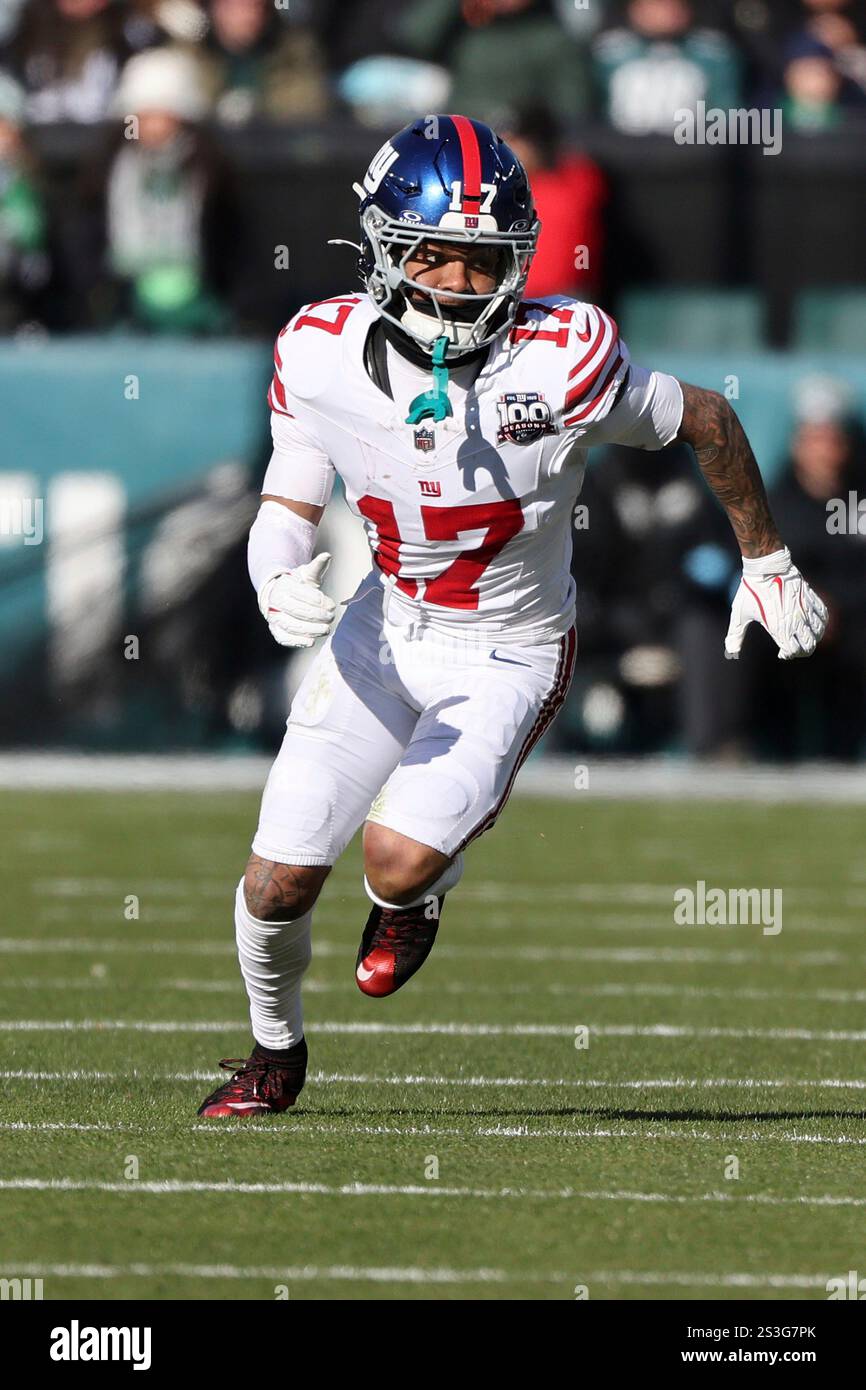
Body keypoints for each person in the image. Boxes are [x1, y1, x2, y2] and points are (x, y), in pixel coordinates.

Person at [196, 116, 829, 1118]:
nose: (456, 281)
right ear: (380, 250)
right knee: (275, 884)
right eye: (432, 255)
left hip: (509, 648)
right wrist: (274, 574)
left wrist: (766, 553)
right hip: (382, 628)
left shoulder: (563, 354)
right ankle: (273, 1054)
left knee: (393, 864)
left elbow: (703, 416)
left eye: (480, 259)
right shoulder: (318, 351)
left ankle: (415, 895)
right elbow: (285, 502)